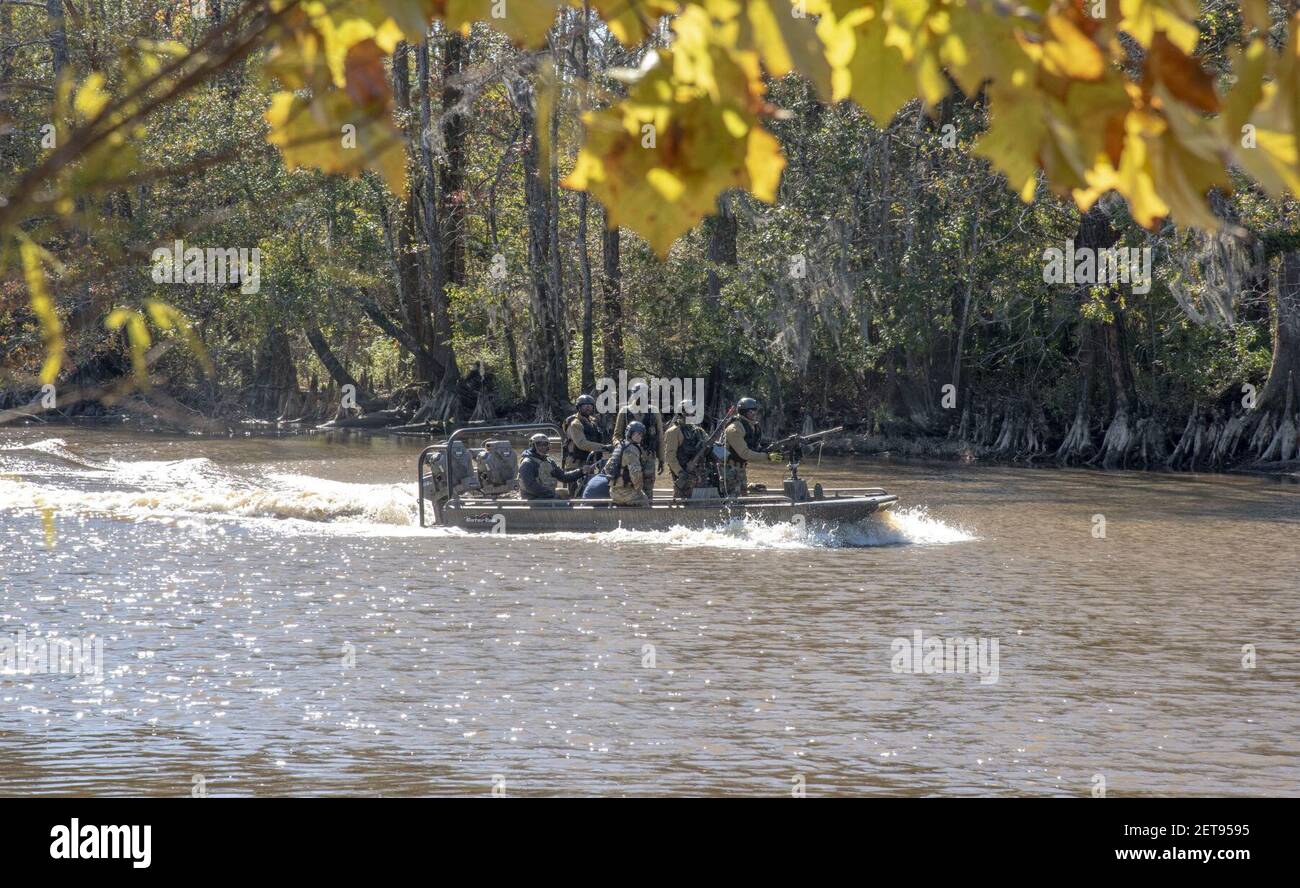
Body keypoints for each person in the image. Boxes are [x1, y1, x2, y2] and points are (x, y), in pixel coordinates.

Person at [612, 382, 664, 496]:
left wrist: (661, 458)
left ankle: (647, 511)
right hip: (630, 457)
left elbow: (660, 436)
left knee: (648, 489)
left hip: (648, 456)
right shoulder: (625, 412)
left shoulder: (654, 411)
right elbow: (617, 436)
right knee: (628, 486)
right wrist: (622, 448)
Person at [518, 433, 590, 500]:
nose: (543, 447)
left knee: (571, 499)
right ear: (532, 446)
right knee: (564, 506)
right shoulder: (528, 463)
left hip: (546, 496)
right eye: (539, 445)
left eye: (545, 444)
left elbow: (563, 476)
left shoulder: (549, 461)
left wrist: (581, 471)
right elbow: (530, 486)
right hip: (532, 499)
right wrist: (552, 495)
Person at [664, 398, 711, 498]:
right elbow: (670, 456)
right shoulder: (673, 432)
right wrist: (680, 472)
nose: (693, 413)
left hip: (700, 475)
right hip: (685, 474)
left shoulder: (698, 430)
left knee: (700, 504)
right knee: (682, 503)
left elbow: (709, 445)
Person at [722, 397, 769, 496]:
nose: (755, 414)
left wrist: (770, 452)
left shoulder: (751, 426)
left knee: (743, 502)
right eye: (752, 411)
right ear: (744, 412)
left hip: (741, 469)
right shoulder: (734, 428)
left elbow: (755, 448)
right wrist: (767, 456)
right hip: (729, 471)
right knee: (732, 503)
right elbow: (744, 453)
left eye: (756, 411)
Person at [562, 393, 608, 494]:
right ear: (579, 407)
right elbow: (581, 443)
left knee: (587, 491)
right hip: (575, 463)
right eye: (585, 405)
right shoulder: (575, 423)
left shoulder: (592, 421)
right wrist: (604, 447)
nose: (588, 407)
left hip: (588, 462)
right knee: (575, 493)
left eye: (590, 405)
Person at [604, 420, 650, 506]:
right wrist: (638, 489)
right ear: (630, 434)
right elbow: (635, 473)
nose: (640, 437)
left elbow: (607, 467)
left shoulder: (620, 446)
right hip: (627, 492)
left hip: (613, 491)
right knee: (645, 502)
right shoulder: (632, 449)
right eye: (637, 434)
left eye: (641, 435)